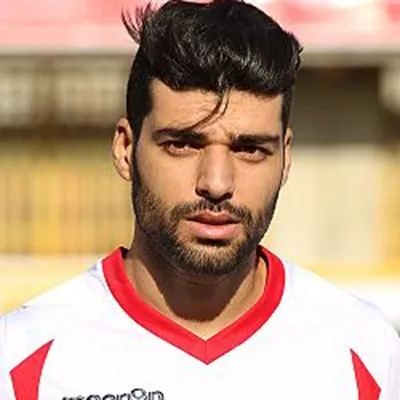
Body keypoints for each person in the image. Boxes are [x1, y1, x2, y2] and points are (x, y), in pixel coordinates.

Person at [1, 0, 399, 398]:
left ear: (285, 157)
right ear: (126, 149)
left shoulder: (366, 350)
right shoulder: (21, 357)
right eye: (183, 144)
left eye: (250, 149)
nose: (216, 183)